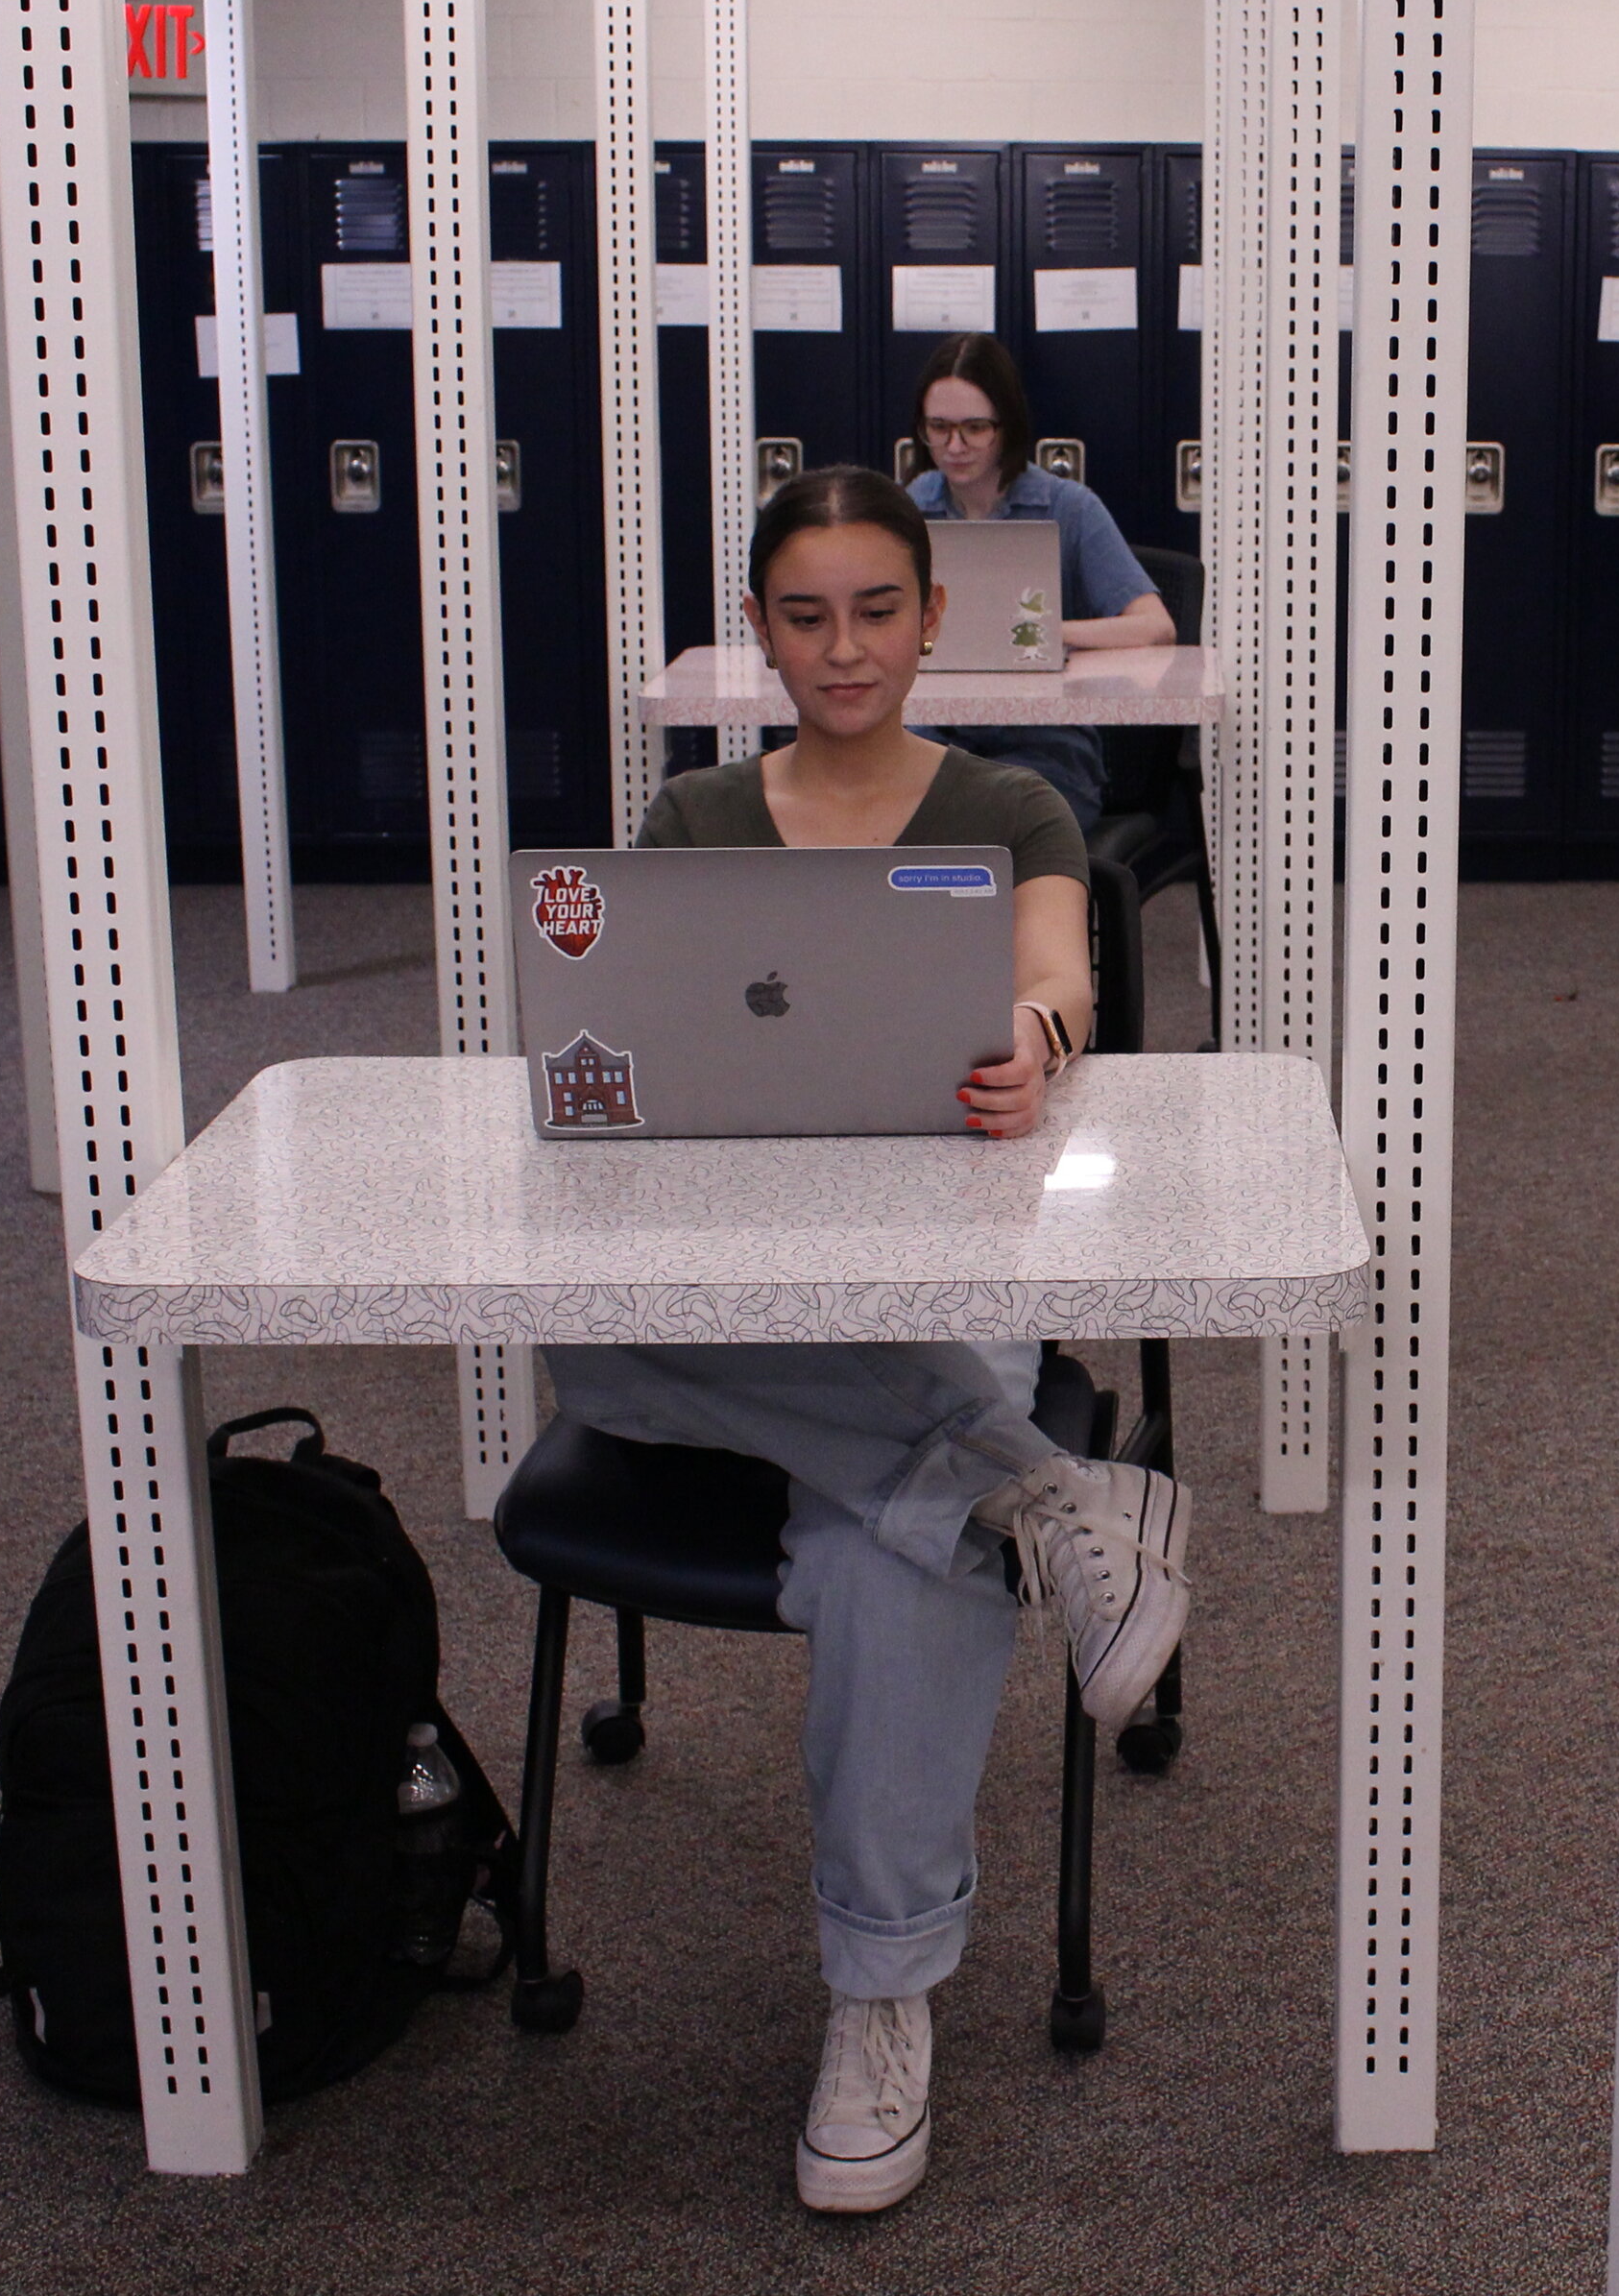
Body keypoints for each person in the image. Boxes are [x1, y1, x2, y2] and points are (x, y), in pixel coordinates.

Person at [544, 464, 1191, 2214]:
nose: (845, 650)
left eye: (878, 611)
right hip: (721, 1286)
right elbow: (622, 1047)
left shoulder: (1003, 807)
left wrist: (1031, 1037)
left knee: (887, 1559)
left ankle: (879, 2004)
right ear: (760, 631)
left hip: (939, 1283)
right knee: (582, 1358)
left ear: (933, 620)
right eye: (807, 615)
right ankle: (1054, 1497)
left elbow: (1062, 972)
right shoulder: (690, 822)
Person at [897, 331, 1175, 829]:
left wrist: (1049, 634)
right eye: (938, 427)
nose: (954, 446)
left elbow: (1155, 626)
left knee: (1000, 822)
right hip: (939, 728)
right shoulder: (913, 504)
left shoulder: (1069, 507)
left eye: (974, 428)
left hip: (1045, 741)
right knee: (892, 810)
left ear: (1007, 425)